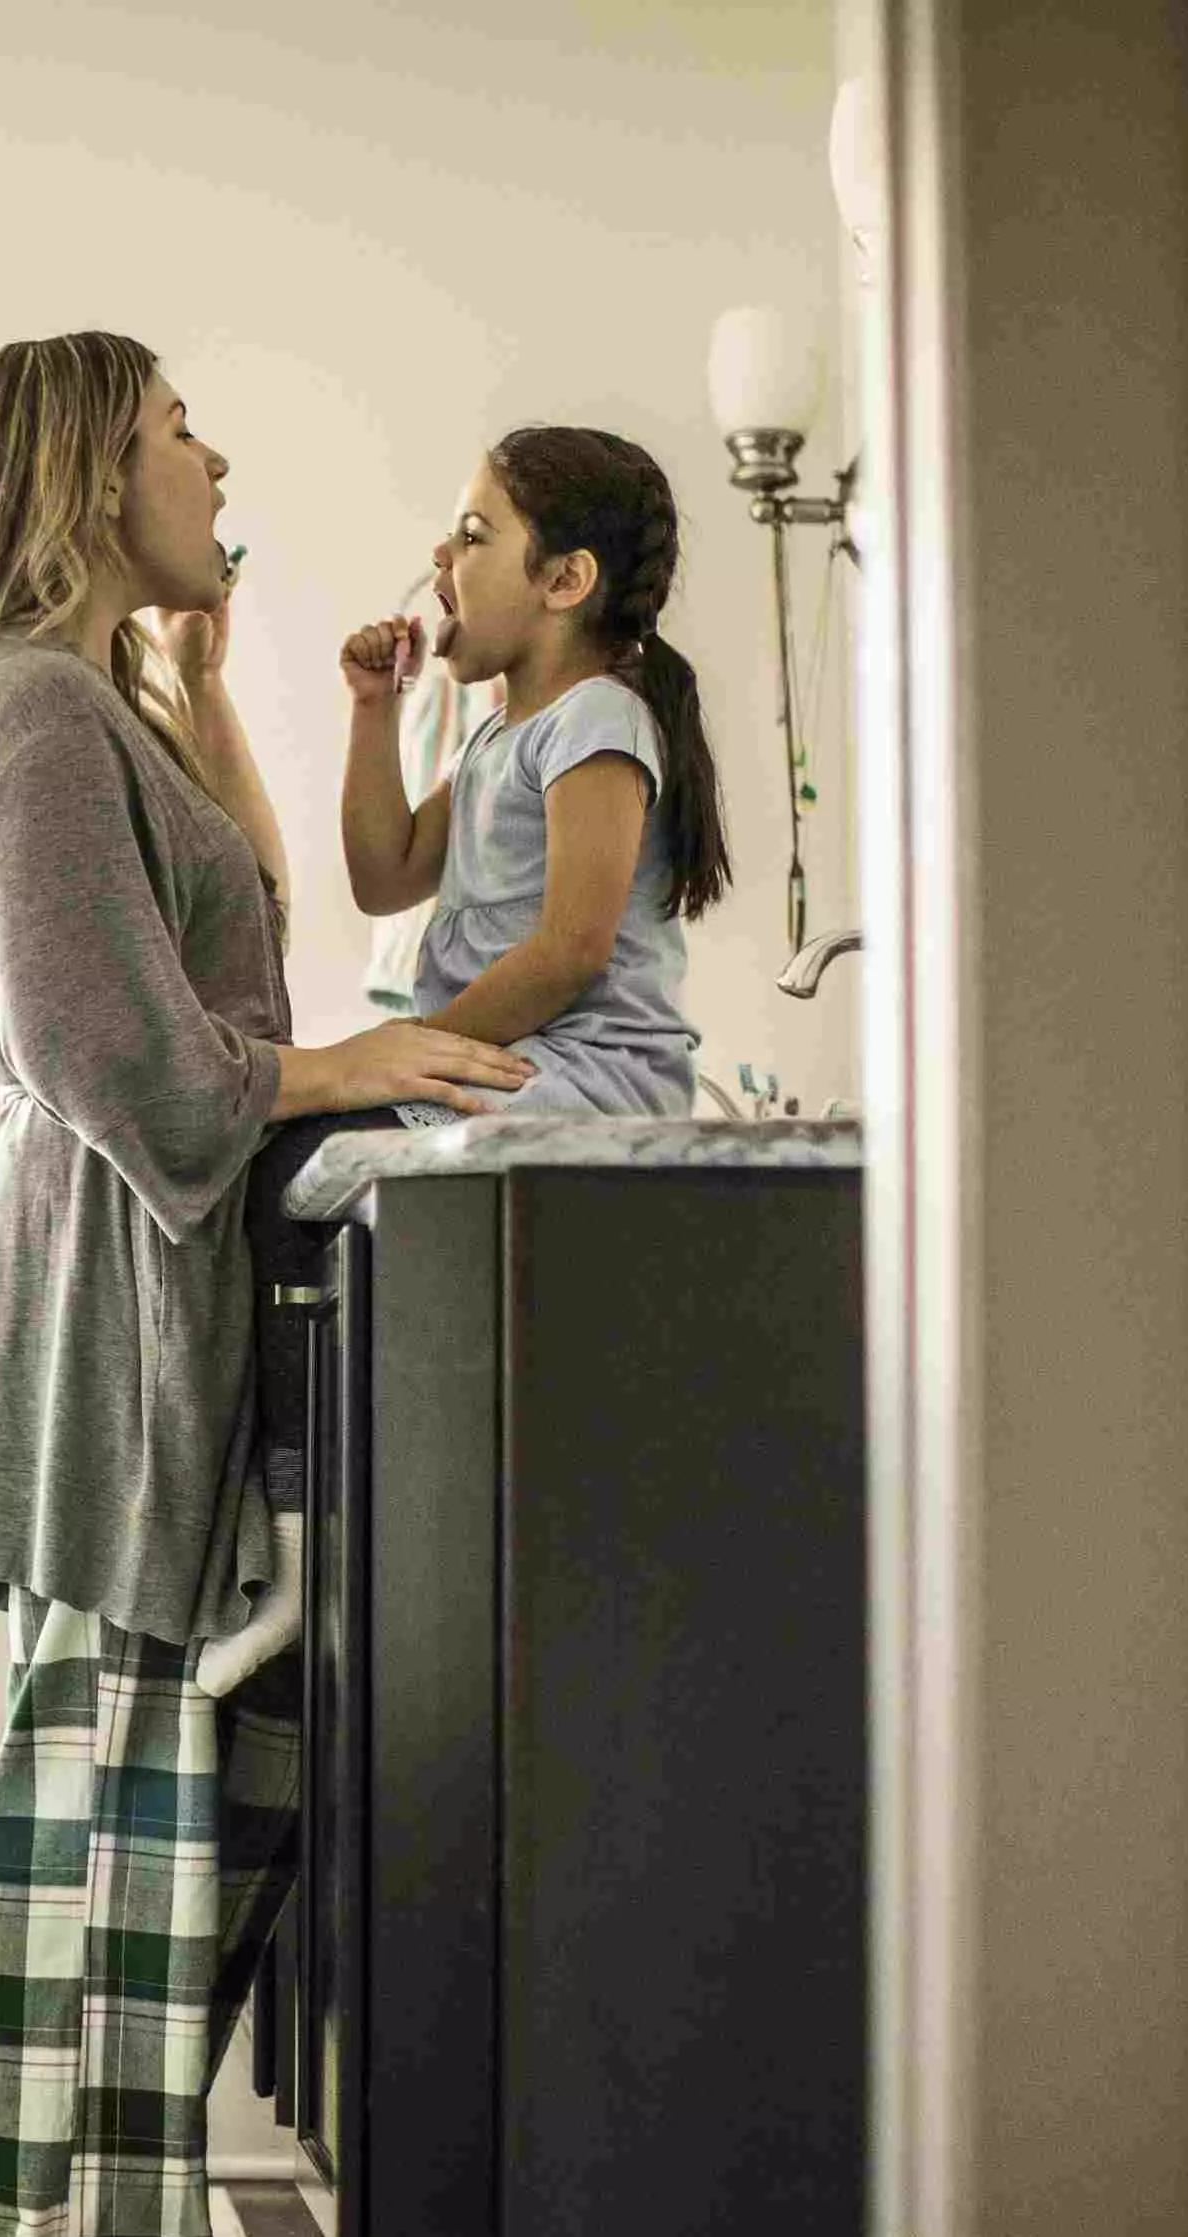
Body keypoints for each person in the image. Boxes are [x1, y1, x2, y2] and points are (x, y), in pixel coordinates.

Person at [0, 331, 531, 2237]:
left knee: (156, 1758)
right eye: (175, 429)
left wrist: (218, 678)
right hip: (106, 1287)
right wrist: (335, 1074)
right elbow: (115, 1051)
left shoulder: (95, 705)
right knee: (107, 1756)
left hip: (140, 1274)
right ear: (85, 474)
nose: (212, 449)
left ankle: (48, 2230)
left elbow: (242, 922)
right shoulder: (36, 712)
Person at [207, 425, 736, 1695]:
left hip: (589, 1071)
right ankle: (309, 1537)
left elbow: (568, 949)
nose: (439, 557)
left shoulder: (597, 720)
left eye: (475, 532)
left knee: (295, 1168)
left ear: (565, 583)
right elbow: (384, 869)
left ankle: (298, 1561)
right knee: (294, 1175)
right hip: (517, 1057)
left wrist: (402, 1055)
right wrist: (373, 712)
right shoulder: (503, 729)